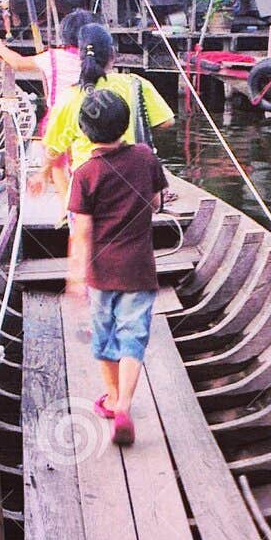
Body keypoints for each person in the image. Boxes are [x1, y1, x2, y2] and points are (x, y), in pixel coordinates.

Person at [67, 87, 166, 448]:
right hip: (139, 270)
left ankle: (111, 399)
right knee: (133, 339)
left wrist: (76, 276)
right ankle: (124, 403)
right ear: (125, 126)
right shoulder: (144, 157)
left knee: (105, 338)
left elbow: (82, 232)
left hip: (100, 273)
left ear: (84, 131)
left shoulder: (85, 173)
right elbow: (155, 203)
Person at [41, 22, 175, 182]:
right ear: (112, 54)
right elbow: (167, 122)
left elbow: (54, 147)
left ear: (81, 57)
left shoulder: (69, 97)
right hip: (134, 179)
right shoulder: (135, 84)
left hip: (89, 181)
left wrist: (42, 173)